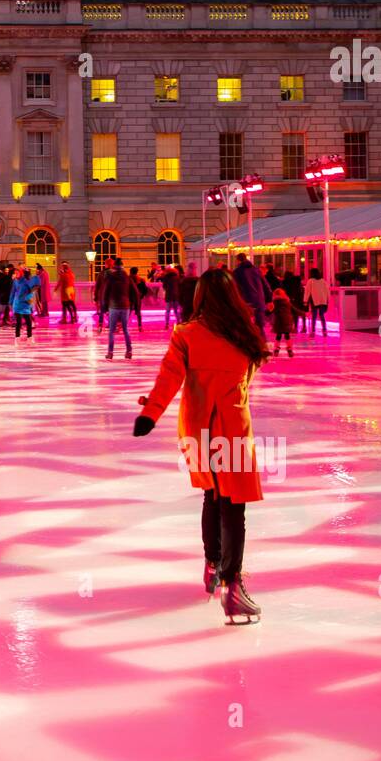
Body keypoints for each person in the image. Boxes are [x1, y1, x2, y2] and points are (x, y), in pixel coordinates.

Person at [133, 267, 269, 624]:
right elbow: (244, 378)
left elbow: (169, 376)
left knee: (212, 496)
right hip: (232, 427)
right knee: (233, 504)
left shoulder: (187, 334)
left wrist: (151, 412)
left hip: (197, 428)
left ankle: (213, 567)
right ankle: (232, 585)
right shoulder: (245, 333)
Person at [103, 258, 140, 360]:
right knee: (125, 330)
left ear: (114, 266)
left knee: (111, 330)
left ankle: (110, 352)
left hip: (113, 306)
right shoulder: (127, 277)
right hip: (125, 306)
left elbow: (105, 292)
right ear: (123, 266)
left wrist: (104, 307)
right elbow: (136, 292)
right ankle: (129, 351)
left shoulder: (111, 277)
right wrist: (136, 307)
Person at [233, 252, 272, 333]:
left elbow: (234, 288)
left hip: (246, 303)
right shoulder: (256, 270)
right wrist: (269, 300)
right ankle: (262, 343)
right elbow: (266, 285)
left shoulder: (237, 272)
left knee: (245, 327)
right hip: (259, 302)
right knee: (260, 327)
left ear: (238, 260)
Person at [10, 265, 39, 339]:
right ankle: (17, 337)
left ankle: (29, 336)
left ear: (21, 273)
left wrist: (26, 298)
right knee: (18, 322)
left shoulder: (26, 281)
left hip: (25, 305)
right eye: (15, 273)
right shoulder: (15, 282)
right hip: (17, 304)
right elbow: (13, 292)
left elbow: (32, 292)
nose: (16, 274)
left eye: (17, 273)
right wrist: (10, 302)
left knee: (28, 322)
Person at [270, 285, 299, 358]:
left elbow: (268, 311)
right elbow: (295, 310)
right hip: (287, 322)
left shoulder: (274, 303)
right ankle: (290, 350)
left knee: (278, 336)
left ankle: (276, 349)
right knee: (287, 336)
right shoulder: (287, 302)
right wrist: (304, 314)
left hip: (278, 322)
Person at [304, 268, 330, 336]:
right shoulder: (323, 281)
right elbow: (327, 291)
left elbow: (307, 291)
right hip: (323, 300)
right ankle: (324, 330)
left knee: (314, 316)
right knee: (322, 315)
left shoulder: (310, 281)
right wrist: (328, 300)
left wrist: (305, 300)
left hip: (314, 300)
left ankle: (313, 331)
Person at [281, 267, 306, 334]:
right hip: (300, 298)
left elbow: (284, 290)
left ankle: (294, 328)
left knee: (292, 314)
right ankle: (303, 327)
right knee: (300, 313)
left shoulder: (286, 282)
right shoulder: (297, 281)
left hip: (290, 299)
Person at [128, 266, 147, 332]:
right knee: (138, 313)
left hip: (129, 298)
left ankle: (124, 326)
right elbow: (145, 289)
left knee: (128, 312)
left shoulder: (128, 279)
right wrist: (141, 296)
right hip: (137, 298)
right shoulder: (140, 280)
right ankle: (140, 326)